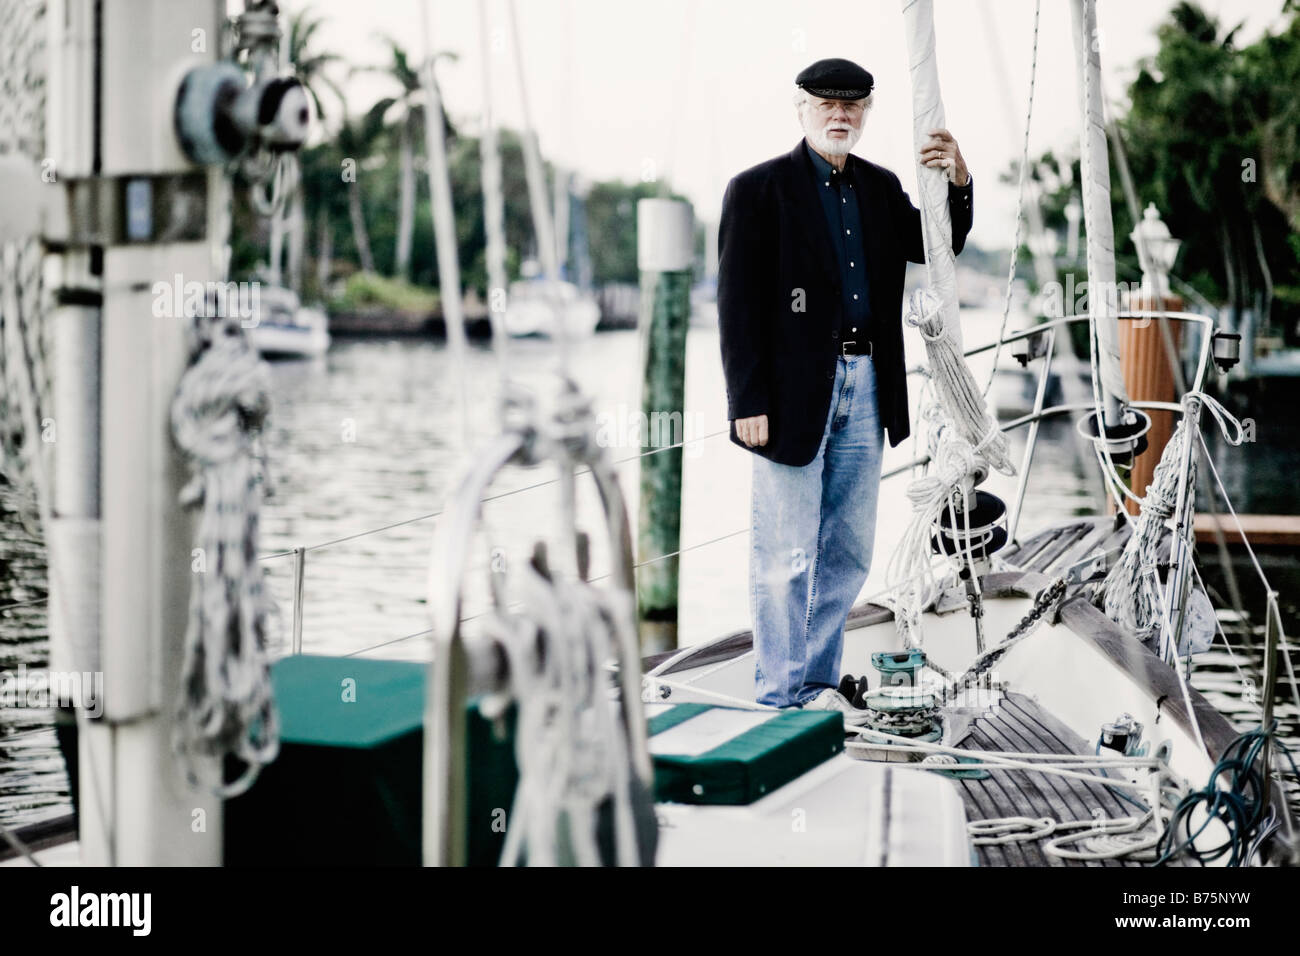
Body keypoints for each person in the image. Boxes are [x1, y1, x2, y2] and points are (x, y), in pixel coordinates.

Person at [716, 57, 973, 724]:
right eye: (826, 103)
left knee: (848, 549)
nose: (840, 114)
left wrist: (959, 180)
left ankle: (817, 681)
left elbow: (939, 246)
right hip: (789, 395)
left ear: (866, 112)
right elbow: (735, 306)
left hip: (869, 382)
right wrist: (747, 403)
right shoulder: (757, 191)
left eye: (853, 105)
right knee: (785, 552)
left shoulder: (885, 189)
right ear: (800, 109)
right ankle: (779, 695)